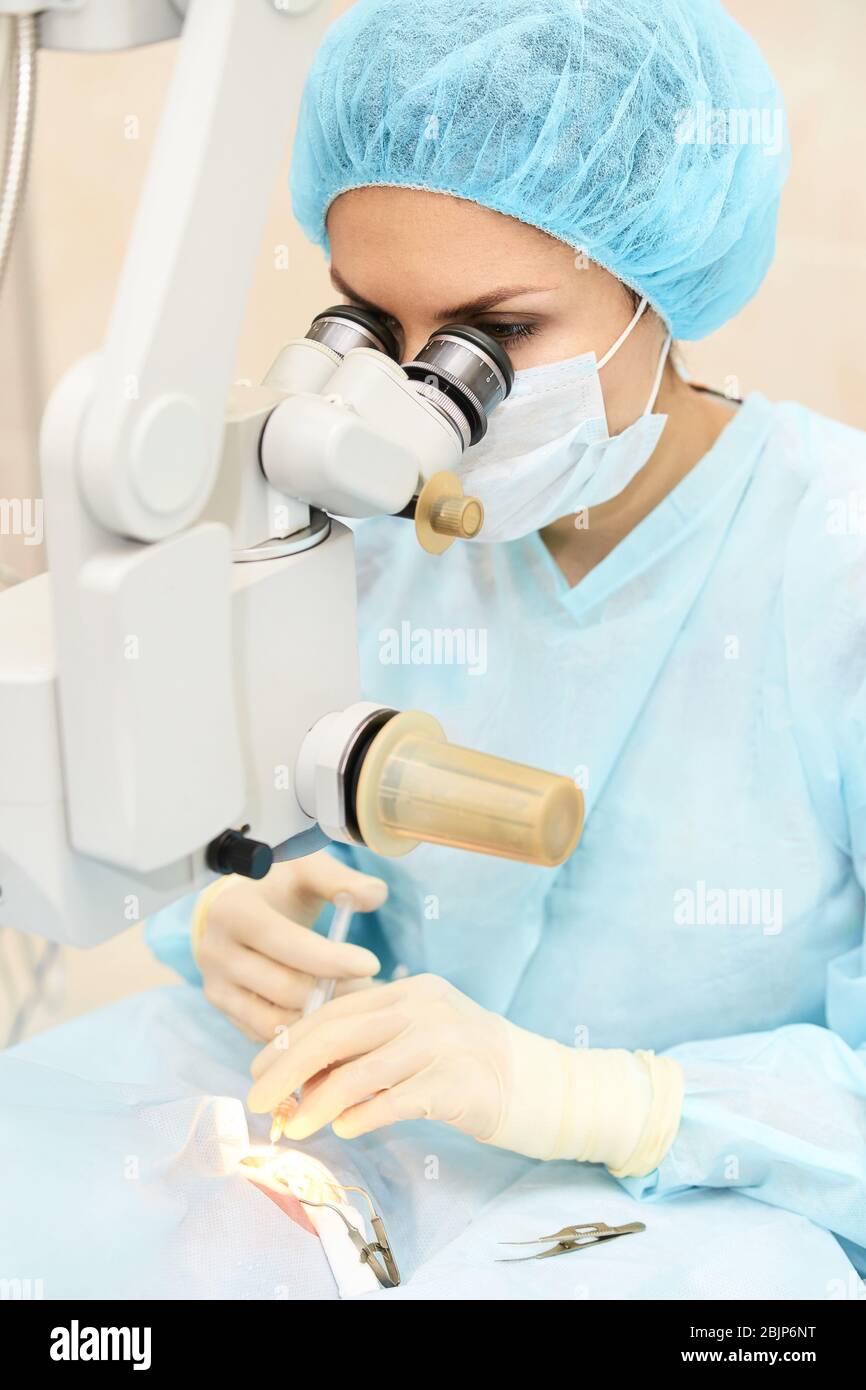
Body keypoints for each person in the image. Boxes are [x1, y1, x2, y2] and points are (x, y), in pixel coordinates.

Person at [148, 0, 866, 1263]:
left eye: (498, 336)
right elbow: (259, 829)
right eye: (370, 326)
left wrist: (599, 1097)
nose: (414, 403)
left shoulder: (834, 558)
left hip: (717, 1206)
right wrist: (234, 915)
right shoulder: (359, 530)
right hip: (378, 1149)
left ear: (658, 282)